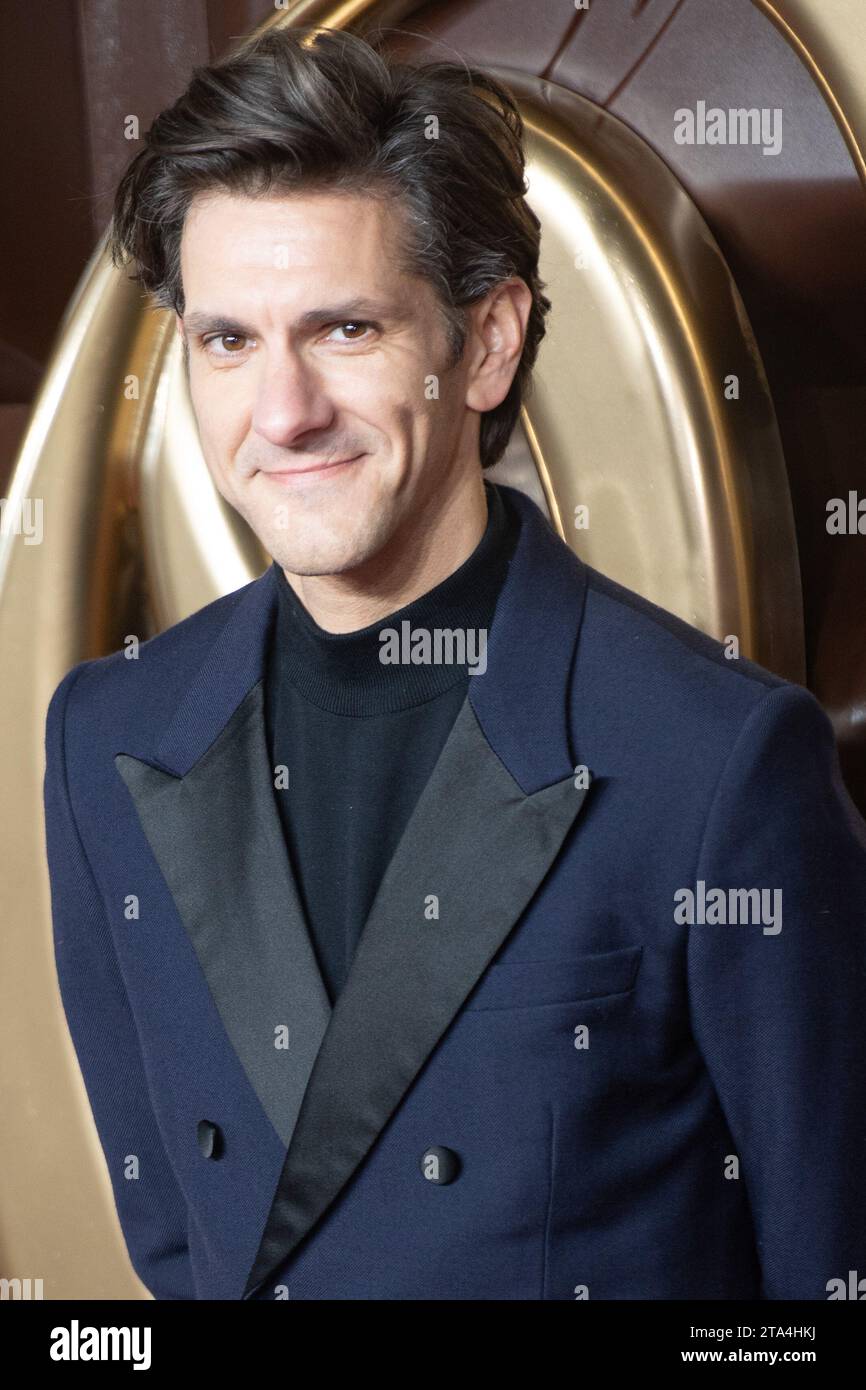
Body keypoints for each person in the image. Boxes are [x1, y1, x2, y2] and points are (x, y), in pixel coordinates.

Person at [44, 24, 866, 1301]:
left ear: (484, 345)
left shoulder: (712, 760)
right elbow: (176, 1253)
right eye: (225, 342)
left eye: (346, 329)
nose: (282, 413)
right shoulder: (107, 735)